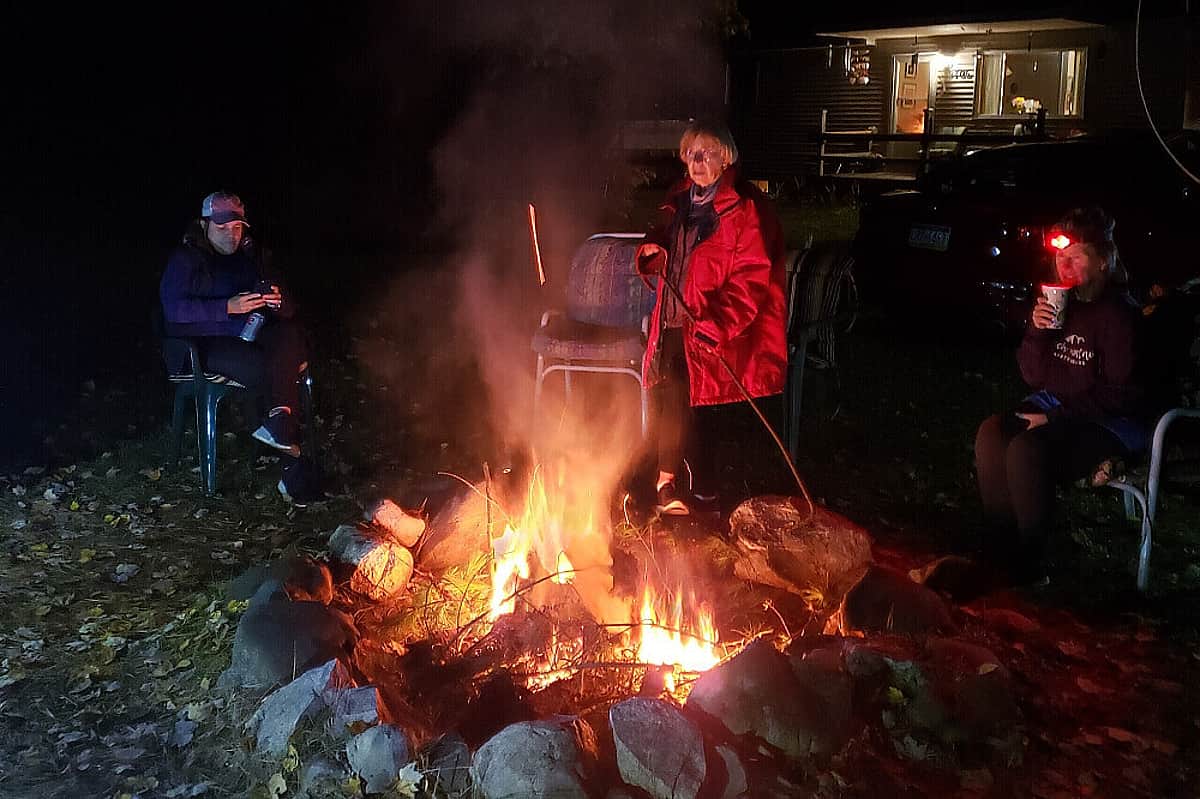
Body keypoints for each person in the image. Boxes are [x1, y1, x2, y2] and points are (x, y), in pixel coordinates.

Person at [973, 206, 1147, 583]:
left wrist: (1055, 418)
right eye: (1060, 258)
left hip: (1111, 420)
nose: (1064, 268)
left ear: (1104, 261)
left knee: (1027, 449)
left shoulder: (1118, 316)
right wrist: (1038, 330)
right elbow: (1034, 376)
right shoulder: (1062, 305)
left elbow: (1121, 394)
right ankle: (999, 546)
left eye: (1076, 258)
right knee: (993, 432)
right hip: (1059, 404)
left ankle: (1029, 564)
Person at [635, 120, 787, 515]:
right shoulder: (682, 199)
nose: (696, 161)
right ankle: (665, 482)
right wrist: (653, 250)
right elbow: (666, 239)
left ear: (726, 158)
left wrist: (718, 324)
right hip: (672, 320)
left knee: (699, 408)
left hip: (708, 328)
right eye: (690, 154)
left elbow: (752, 277)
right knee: (667, 399)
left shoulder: (744, 209)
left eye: (707, 154)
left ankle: (703, 491)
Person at [160, 191, 319, 504]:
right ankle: (293, 469)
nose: (231, 234)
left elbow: (287, 307)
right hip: (202, 344)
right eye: (222, 228)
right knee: (270, 369)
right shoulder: (186, 258)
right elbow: (173, 310)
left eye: (237, 228)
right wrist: (226, 308)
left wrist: (277, 300)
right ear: (204, 225)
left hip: (250, 333)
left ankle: (280, 420)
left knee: (290, 336)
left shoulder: (251, 256)